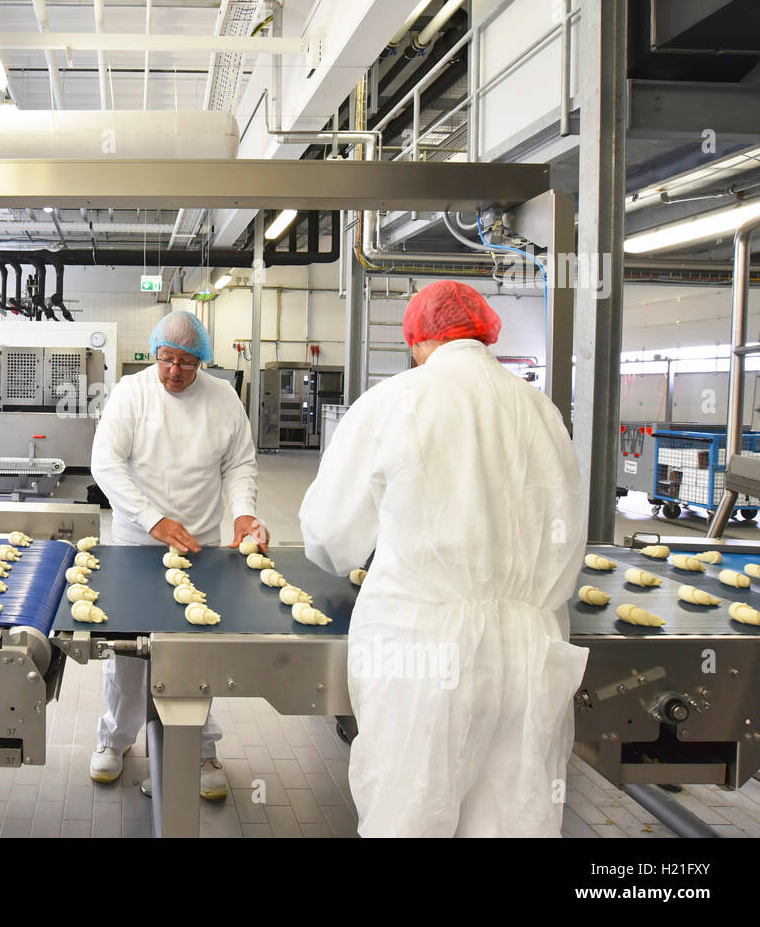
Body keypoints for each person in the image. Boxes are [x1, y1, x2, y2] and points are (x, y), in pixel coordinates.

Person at [298, 279, 589, 837]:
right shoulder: (540, 409)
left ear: (417, 340)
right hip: (532, 648)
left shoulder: (396, 400)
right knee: (512, 818)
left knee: (410, 814)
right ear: (484, 334)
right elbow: (567, 530)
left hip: (422, 649)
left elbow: (331, 535)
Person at [88, 311, 263, 799]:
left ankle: (200, 747)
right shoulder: (131, 392)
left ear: (203, 360)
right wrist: (152, 519)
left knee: (194, 648)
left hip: (199, 544)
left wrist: (244, 512)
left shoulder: (223, 398)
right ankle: (116, 739)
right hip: (137, 543)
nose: (174, 372)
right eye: (166, 359)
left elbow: (240, 463)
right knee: (126, 652)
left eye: (186, 363)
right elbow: (105, 462)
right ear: (155, 352)